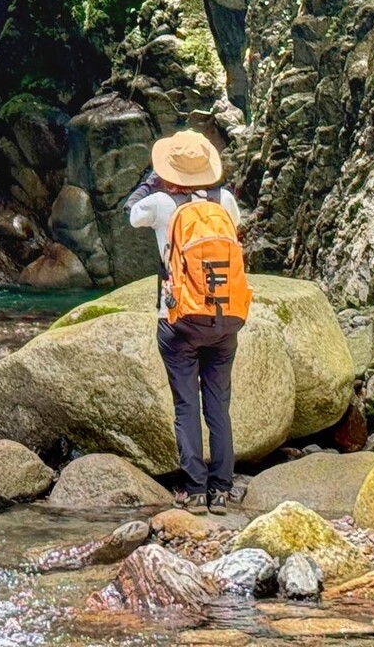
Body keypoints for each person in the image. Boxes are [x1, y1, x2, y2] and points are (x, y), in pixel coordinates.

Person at [125, 130, 248, 515]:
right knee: (219, 405)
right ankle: (221, 490)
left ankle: (195, 492)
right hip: (225, 315)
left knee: (186, 405)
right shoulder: (225, 200)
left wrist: (150, 181)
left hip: (178, 319)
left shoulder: (160, 202)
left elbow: (131, 212)